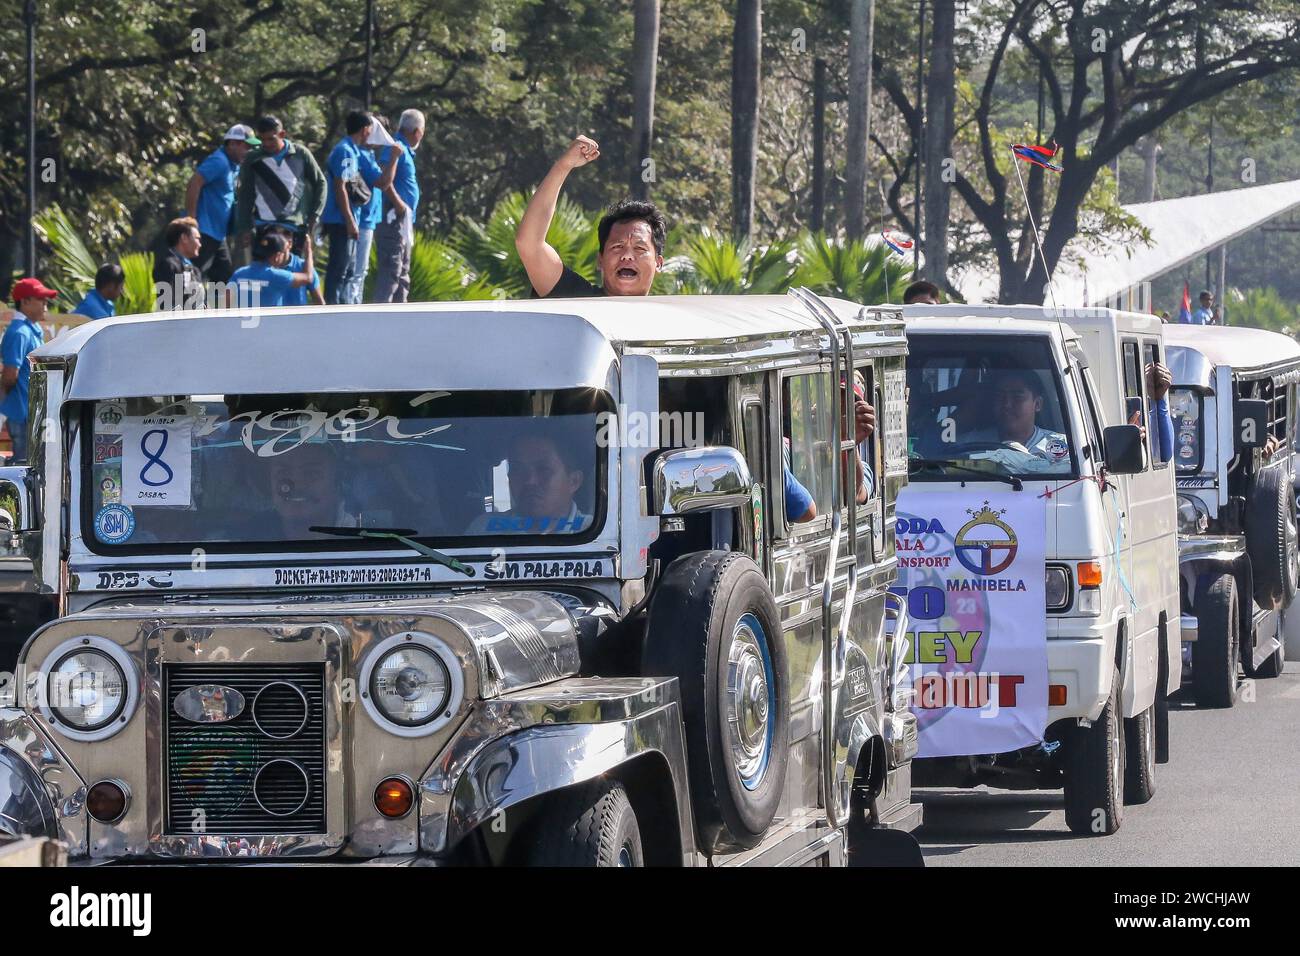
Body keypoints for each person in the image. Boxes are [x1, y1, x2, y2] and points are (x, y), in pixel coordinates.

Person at [517, 135, 666, 297]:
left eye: (639, 248)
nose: (627, 256)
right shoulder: (576, 298)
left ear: (658, 263)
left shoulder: (673, 318)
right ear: (600, 260)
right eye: (617, 247)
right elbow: (530, 244)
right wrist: (564, 166)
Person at [233, 115, 326, 257]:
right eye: (263, 139)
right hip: (263, 226)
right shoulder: (253, 158)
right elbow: (245, 194)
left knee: (292, 274)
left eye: (271, 139)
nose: (266, 144)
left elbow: (320, 182)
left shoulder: (300, 154)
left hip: (294, 227)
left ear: (282, 134)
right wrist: (245, 227)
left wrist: (315, 214)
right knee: (264, 273)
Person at [785, 376, 876, 523]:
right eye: (831, 406)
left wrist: (846, 440)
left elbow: (854, 494)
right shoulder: (791, 450)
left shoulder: (862, 468)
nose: (839, 418)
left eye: (848, 411)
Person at [468, 429, 591, 534]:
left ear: (574, 481)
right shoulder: (484, 529)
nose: (529, 481)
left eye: (544, 470)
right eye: (518, 469)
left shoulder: (600, 535)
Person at [185, 124, 260, 282]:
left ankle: (217, 307)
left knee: (225, 280)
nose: (249, 152)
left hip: (218, 235)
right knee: (192, 279)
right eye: (246, 147)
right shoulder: (219, 162)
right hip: (204, 232)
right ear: (232, 144)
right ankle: (183, 306)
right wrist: (191, 220)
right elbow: (194, 183)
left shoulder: (234, 166)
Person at [372, 108, 425, 303]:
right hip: (392, 218)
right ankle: (378, 320)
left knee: (402, 275)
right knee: (391, 273)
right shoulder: (395, 147)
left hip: (402, 222)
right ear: (417, 132)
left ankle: (401, 321)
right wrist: (399, 203)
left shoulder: (404, 150)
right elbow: (384, 178)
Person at [963, 367, 1069, 465]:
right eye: (1000, 396)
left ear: (1037, 404)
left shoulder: (1063, 446)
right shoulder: (971, 444)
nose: (1007, 404)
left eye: (1017, 397)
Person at [1, 278, 55, 462]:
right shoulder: (19, 332)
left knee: (33, 466)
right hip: (22, 414)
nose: (45, 303)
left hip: (32, 413)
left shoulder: (30, 329)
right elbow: (10, 376)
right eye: (41, 299)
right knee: (24, 466)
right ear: (25, 302)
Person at [229, 231, 316, 309]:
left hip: (241, 325)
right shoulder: (276, 276)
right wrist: (308, 251)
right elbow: (308, 278)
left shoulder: (239, 273)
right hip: (270, 325)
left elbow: (226, 302)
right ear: (277, 256)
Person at [259, 225, 324, 306]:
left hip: (299, 318)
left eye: (286, 233)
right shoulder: (260, 269)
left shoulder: (304, 266)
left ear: (290, 243)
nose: (279, 236)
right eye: (274, 232)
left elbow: (320, 303)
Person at [153, 217, 205, 310]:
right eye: (197, 238)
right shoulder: (168, 266)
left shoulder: (195, 270)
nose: (200, 244)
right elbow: (166, 305)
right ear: (184, 238)